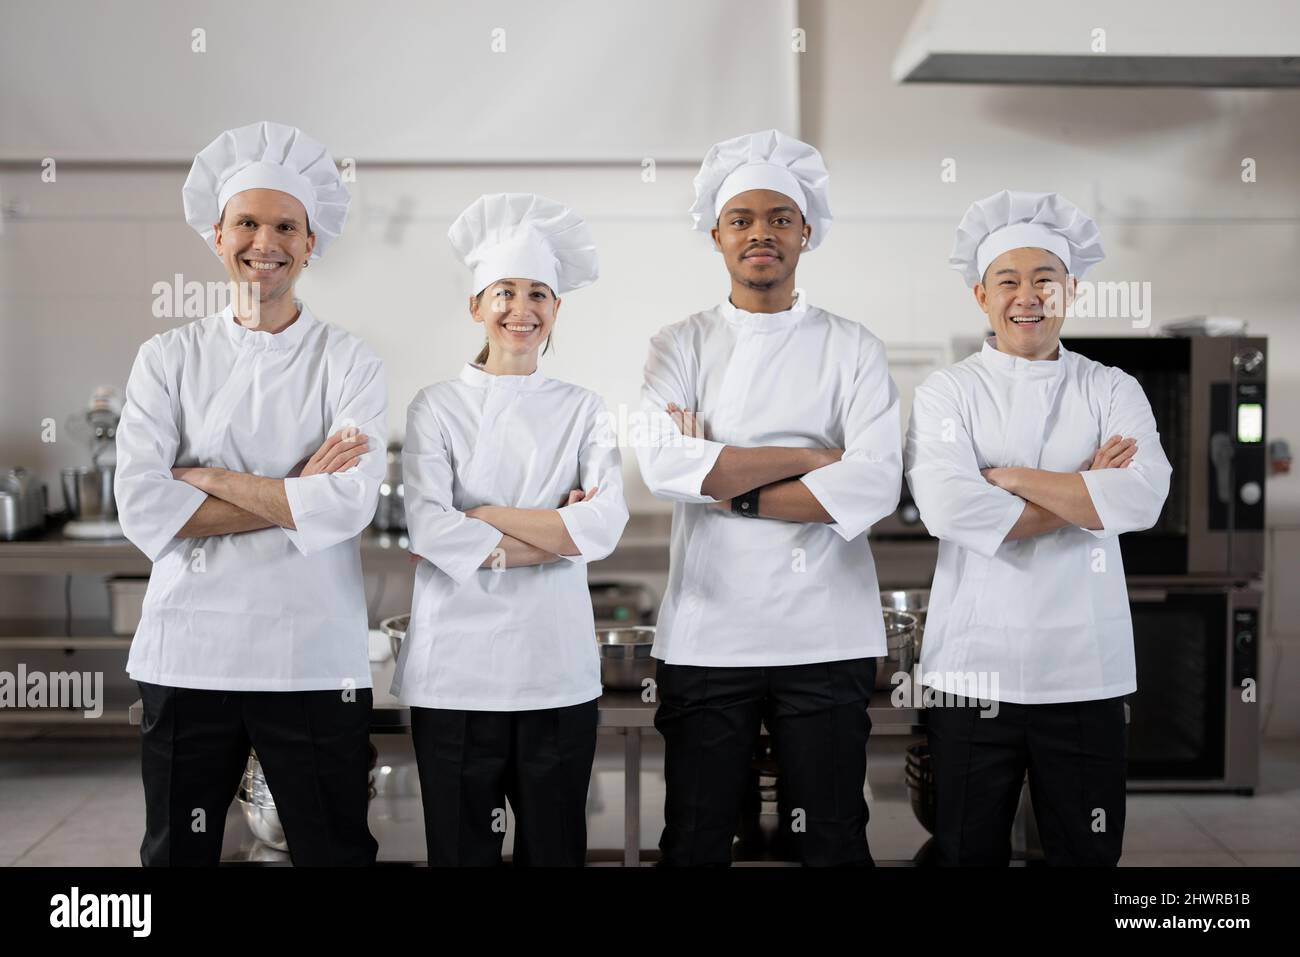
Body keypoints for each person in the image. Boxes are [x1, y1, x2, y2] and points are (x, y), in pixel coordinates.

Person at [115, 120, 386, 866]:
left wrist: (210, 482)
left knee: (333, 849)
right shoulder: (167, 358)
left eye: (284, 226)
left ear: (310, 244)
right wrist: (294, 492)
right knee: (178, 853)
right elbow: (143, 507)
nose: (263, 241)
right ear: (217, 233)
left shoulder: (348, 360)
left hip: (312, 654)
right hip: (188, 650)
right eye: (247, 222)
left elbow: (349, 503)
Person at [634, 130, 903, 866]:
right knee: (696, 838)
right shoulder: (677, 344)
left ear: (806, 232)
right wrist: (814, 458)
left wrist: (725, 484)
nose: (761, 233)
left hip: (826, 633)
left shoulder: (853, 346)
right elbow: (663, 463)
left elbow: (874, 481)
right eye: (743, 219)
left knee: (832, 840)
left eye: (780, 218)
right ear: (717, 234)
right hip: (708, 631)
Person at [905, 189, 1172, 866]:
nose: (1028, 296)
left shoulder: (1112, 387)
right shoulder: (949, 391)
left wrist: (1011, 477)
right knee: (967, 853)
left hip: (1083, 670)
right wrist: (1086, 490)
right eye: (1009, 281)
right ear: (980, 295)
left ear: (1071, 290)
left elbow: (1141, 497)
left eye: (1045, 280)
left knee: (1087, 854)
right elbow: (948, 508)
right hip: (973, 670)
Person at [392, 192, 629, 866]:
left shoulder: (582, 408)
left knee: (555, 853)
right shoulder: (435, 407)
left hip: (555, 673)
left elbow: (603, 525)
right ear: (475, 304)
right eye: (503, 291)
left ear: (556, 309)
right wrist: (557, 529)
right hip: (454, 677)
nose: (520, 309)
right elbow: (431, 530)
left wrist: (484, 517)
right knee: (462, 854)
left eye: (537, 294)